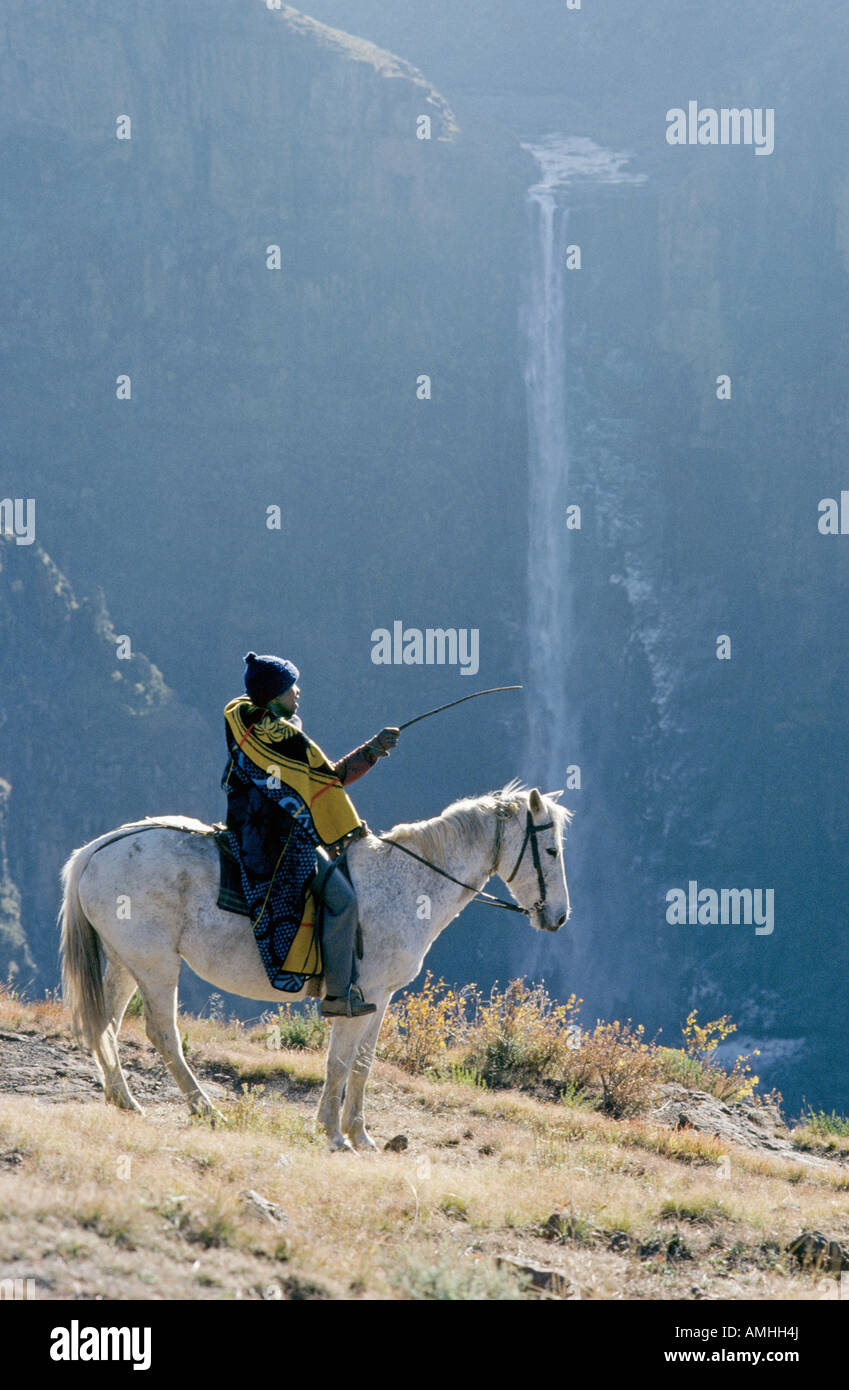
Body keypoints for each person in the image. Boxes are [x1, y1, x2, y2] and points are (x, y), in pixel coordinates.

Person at [222, 652, 399, 1016]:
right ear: (274, 696)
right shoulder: (284, 737)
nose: (298, 691)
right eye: (290, 687)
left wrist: (372, 750)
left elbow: (318, 779)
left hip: (249, 829)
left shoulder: (248, 723)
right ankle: (336, 996)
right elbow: (329, 780)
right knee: (344, 900)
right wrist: (373, 751)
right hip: (276, 841)